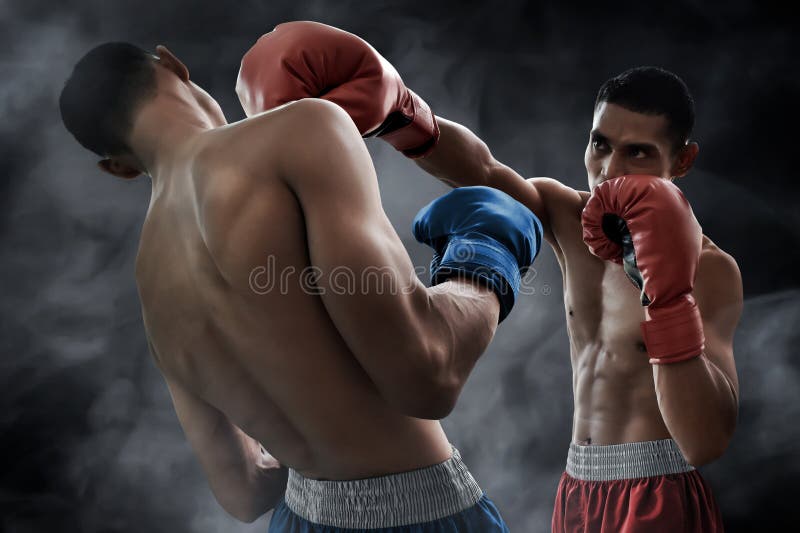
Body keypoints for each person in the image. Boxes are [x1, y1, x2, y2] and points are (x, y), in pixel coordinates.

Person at [237, 21, 742, 532]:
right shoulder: (571, 219)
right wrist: (399, 112)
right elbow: (483, 171)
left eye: (638, 152)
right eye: (600, 144)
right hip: (579, 487)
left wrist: (668, 299)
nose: (609, 171)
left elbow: (706, 441)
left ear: (682, 160)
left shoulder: (710, 269)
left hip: (661, 496)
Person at [59, 41, 545, 531]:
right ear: (172, 64)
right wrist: (485, 251)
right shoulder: (300, 129)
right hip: (425, 513)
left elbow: (242, 491)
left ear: (117, 167)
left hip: (298, 520)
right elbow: (428, 377)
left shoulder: (149, 278)